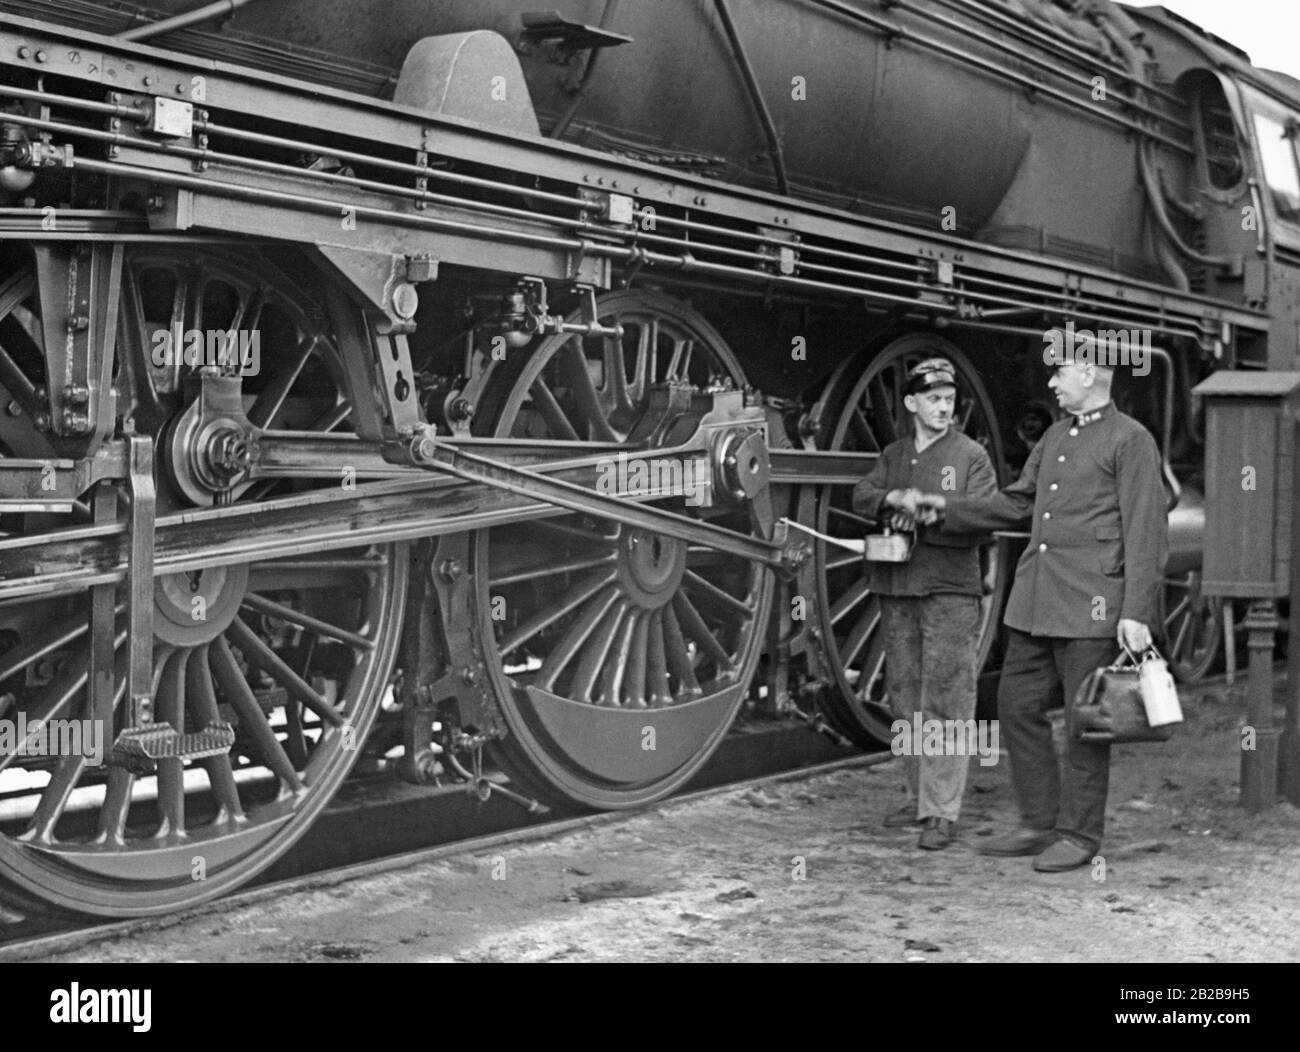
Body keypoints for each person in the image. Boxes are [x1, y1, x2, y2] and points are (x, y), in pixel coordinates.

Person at [905, 335, 1167, 872]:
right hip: (1036, 603)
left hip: (1093, 604)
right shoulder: (1053, 436)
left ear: (1090, 375)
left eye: (1059, 374)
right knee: (1015, 707)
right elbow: (1018, 503)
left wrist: (1136, 612)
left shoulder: (1130, 439)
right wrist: (944, 509)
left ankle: (1078, 834)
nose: (1051, 382)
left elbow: (1147, 530)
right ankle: (1039, 822)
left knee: (1084, 721)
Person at [851, 357, 998, 850]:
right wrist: (893, 499)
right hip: (898, 588)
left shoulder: (971, 455)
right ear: (912, 403)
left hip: (950, 591)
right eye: (933, 400)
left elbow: (984, 515)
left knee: (947, 698)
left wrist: (933, 512)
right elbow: (861, 494)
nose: (943, 408)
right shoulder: (894, 454)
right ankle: (917, 797)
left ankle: (941, 810)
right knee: (905, 696)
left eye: (950, 400)